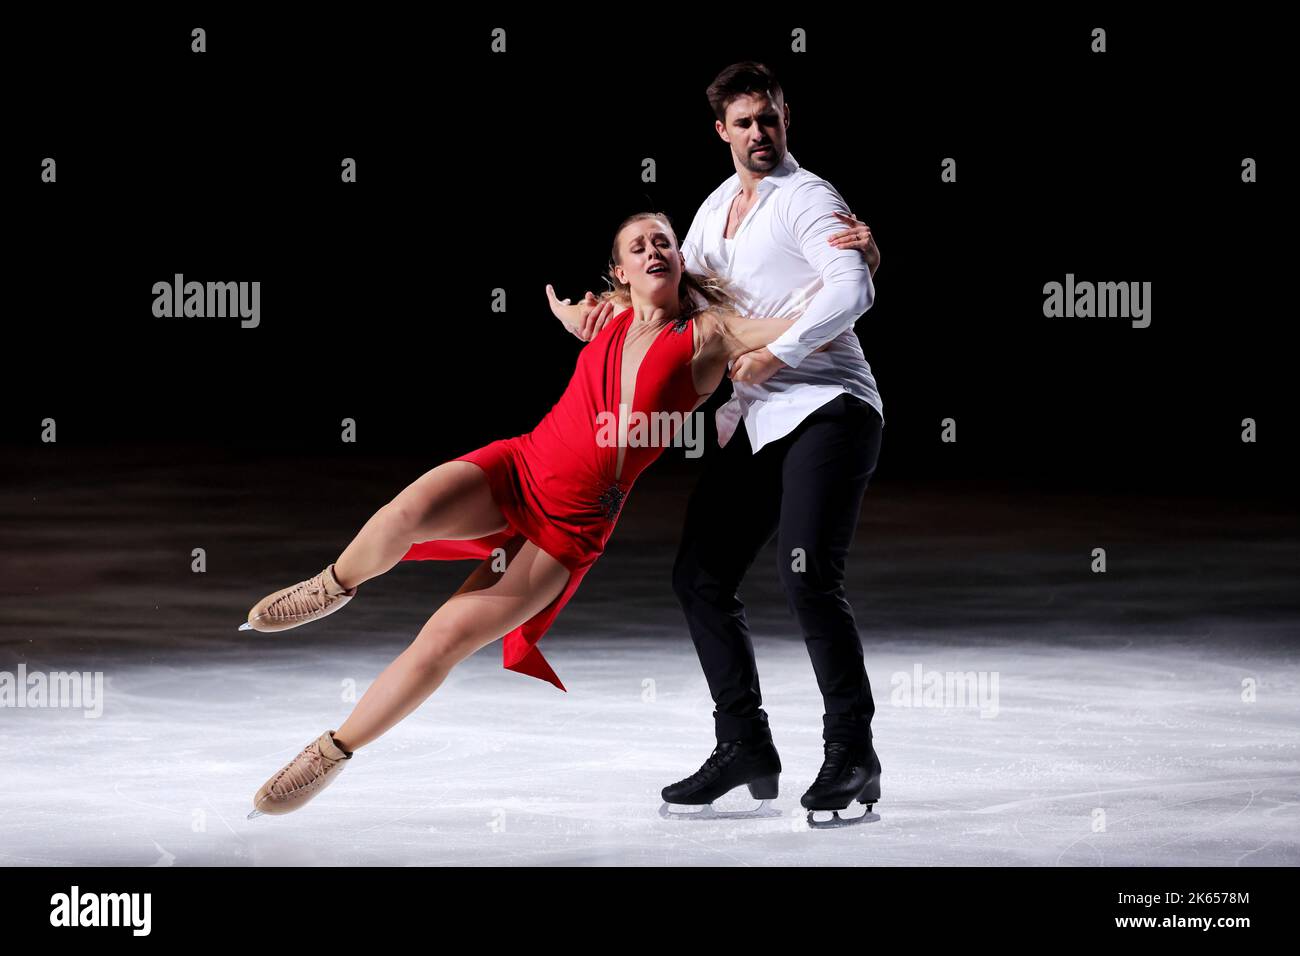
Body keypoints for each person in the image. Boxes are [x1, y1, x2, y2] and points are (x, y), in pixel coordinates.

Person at [239, 212, 826, 818]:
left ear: (679, 260)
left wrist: (858, 272)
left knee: (441, 642)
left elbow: (816, 321)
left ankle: (330, 752)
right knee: (405, 511)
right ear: (619, 271)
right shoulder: (611, 316)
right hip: (520, 466)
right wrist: (571, 315)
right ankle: (333, 586)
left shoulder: (710, 334)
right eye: (638, 245)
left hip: (569, 529)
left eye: (664, 242)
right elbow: (581, 314)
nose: (655, 250)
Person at [557, 62, 886, 820]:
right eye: (743, 123)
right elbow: (674, 296)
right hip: (760, 421)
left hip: (831, 405)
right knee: (699, 576)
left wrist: (780, 352)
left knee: (807, 576)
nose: (758, 134)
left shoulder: (809, 197)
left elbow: (852, 289)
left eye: (768, 119)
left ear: (785, 119)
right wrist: (603, 315)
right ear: (722, 132)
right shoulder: (709, 215)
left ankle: (853, 754)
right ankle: (744, 744)